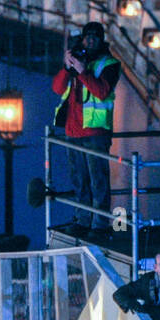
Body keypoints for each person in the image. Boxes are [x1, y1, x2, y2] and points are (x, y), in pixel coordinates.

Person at [51, 21, 121, 234]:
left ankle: (99, 224)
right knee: (79, 179)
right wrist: (67, 66)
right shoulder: (77, 61)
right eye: (87, 36)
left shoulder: (109, 64)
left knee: (98, 179)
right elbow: (57, 88)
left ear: (101, 40)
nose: (90, 40)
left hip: (95, 131)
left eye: (95, 37)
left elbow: (101, 91)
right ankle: (82, 220)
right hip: (72, 130)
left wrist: (82, 71)